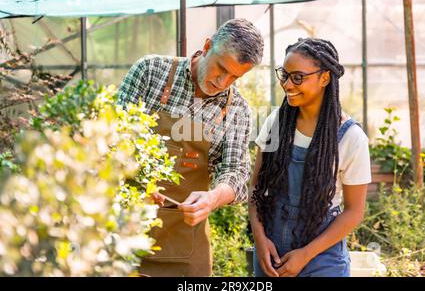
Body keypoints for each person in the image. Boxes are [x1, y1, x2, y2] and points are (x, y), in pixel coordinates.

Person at [117, 18, 264, 276]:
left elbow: (237, 173)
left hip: (185, 243)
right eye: (221, 68)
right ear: (207, 46)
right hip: (125, 232)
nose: (223, 82)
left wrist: (212, 197)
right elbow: (113, 137)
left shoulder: (237, 110)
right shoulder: (150, 72)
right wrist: (137, 179)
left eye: (235, 77)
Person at [249, 37, 371, 277]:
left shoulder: (351, 138)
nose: (287, 85)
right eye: (284, 75)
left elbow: (354, 211)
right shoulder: (277, 122)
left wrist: (306, 254)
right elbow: (255, 187)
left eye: (298, 77)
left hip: (321, 256)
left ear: (324, 78)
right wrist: (260, 239)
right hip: (270, 251)